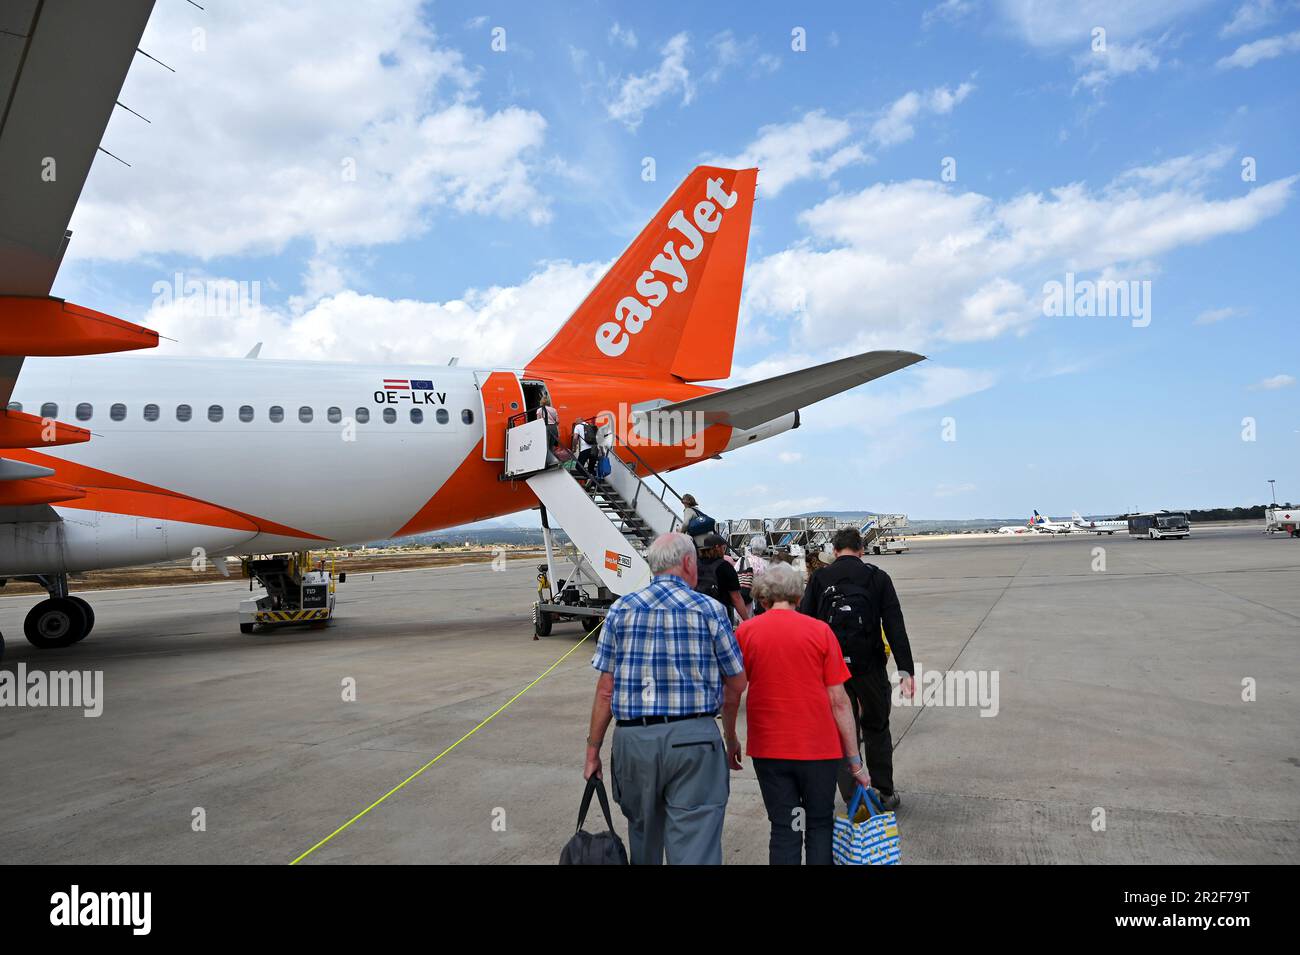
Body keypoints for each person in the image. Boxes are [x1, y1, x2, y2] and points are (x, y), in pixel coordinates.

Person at [583, 533, 748, 865]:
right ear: (688, 563)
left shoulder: (620, 609)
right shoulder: (710, 609)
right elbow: (737, 681)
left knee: (643, 833)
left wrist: (592, 751)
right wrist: (729, 735)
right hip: (694, 741)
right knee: (695, 841)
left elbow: (605, 690)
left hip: (634, 742)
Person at [736, 563, 868, 864]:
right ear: (798, 594)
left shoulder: (746, 632)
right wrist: (855, 761)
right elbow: (839, 701)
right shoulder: (820, 631)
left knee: (786, 827)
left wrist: (730, 735)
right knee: (820, 824)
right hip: (818, 751)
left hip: (771, 749)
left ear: (763, 597)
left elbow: (733, 692)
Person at [798, 526, 915, 811]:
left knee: (842, 731)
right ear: (861, 550)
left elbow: (805, 624)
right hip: (870, 666)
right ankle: (884, 792)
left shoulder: (820, 578)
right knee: (877, 727)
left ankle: (853, 798)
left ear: (835, 551)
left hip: (831, 668)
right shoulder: (878, 577)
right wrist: (905, 671)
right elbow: (894, 625)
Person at [696, 533, 751, 624]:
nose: (724, 551)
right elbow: (736, 597)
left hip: (698, 614)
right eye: (724, 548)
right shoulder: (725, 566)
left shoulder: (695, 564)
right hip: (720, 615)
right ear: (717, 547)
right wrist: (747, 620)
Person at [571, 416, 599, 480]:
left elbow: (575, 438)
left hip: (585, 449)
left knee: (578, 466)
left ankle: (589, 477)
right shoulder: (590, 425)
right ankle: (593, 485)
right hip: (594, 449)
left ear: (578, 421)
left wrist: (574, 448)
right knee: (591, 469)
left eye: (576, 422)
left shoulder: (578, 426)